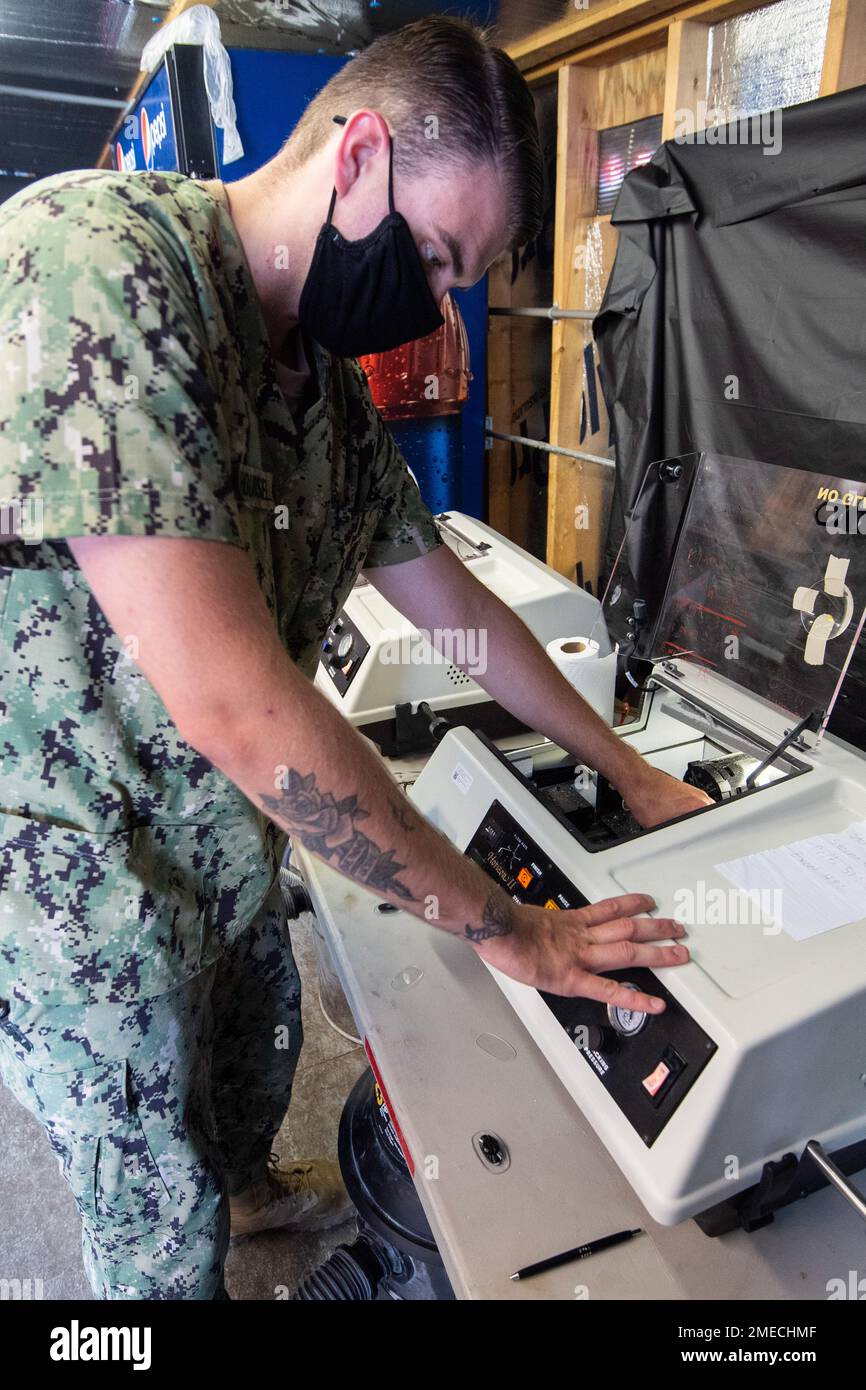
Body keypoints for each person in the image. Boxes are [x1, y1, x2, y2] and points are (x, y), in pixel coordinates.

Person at [0, 16, 709, 1300]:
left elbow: (458, 614)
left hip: (222, 846)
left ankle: (248, 1191)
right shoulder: (98, 263)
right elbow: (238, 705)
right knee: (150, 1227)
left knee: (242, 1078)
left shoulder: (319, 390)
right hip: (73, 888)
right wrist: (518, 936)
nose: (431, 302)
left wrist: (629, 769)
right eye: (437, 258)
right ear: (361, 150)